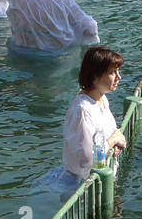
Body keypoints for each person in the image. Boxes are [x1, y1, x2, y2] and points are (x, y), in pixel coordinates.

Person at [45, 46, 129, 191]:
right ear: (95, 76)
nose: (118, 77)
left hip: (100, 183)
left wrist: (115, 143)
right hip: (83, 188)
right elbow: (86, 159)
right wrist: (112, 141)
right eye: (112, 72)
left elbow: (104, 136)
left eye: (118, 71)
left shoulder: (101, 99)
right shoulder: (83, 110)